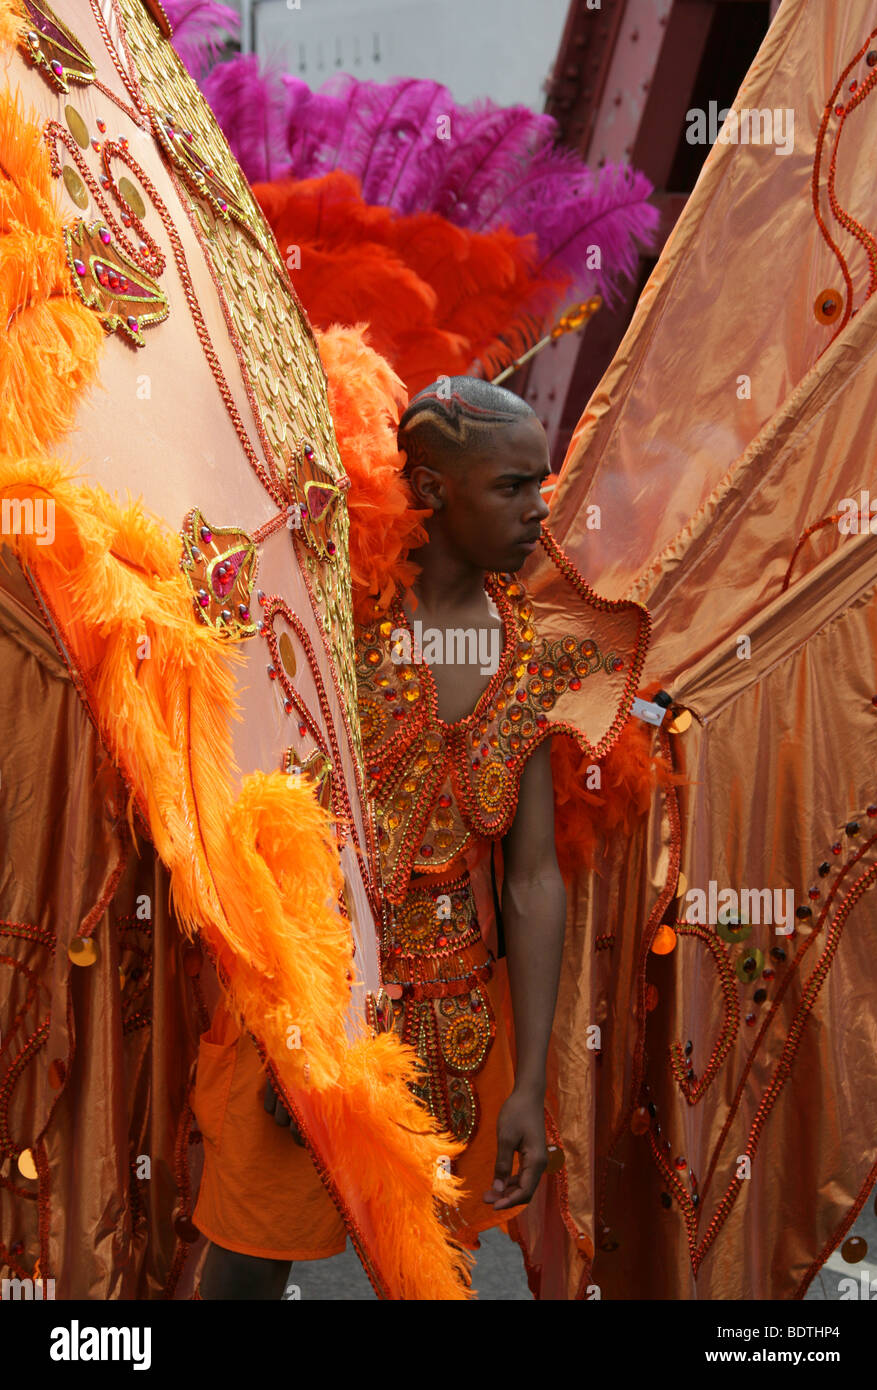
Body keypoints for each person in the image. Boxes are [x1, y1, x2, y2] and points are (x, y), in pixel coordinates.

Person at [195, 376, 646, 1296]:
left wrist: (526, 1087)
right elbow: (260, 830)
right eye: (514, 488)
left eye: (543, 486)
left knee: (434, 1276)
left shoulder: (525, 651)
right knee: (248, 1264)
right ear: (434, 491)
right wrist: (296, 1032)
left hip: (458, 1026)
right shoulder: (335, 624)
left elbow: (529, 880)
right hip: (305, 1002)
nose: (539, 512)